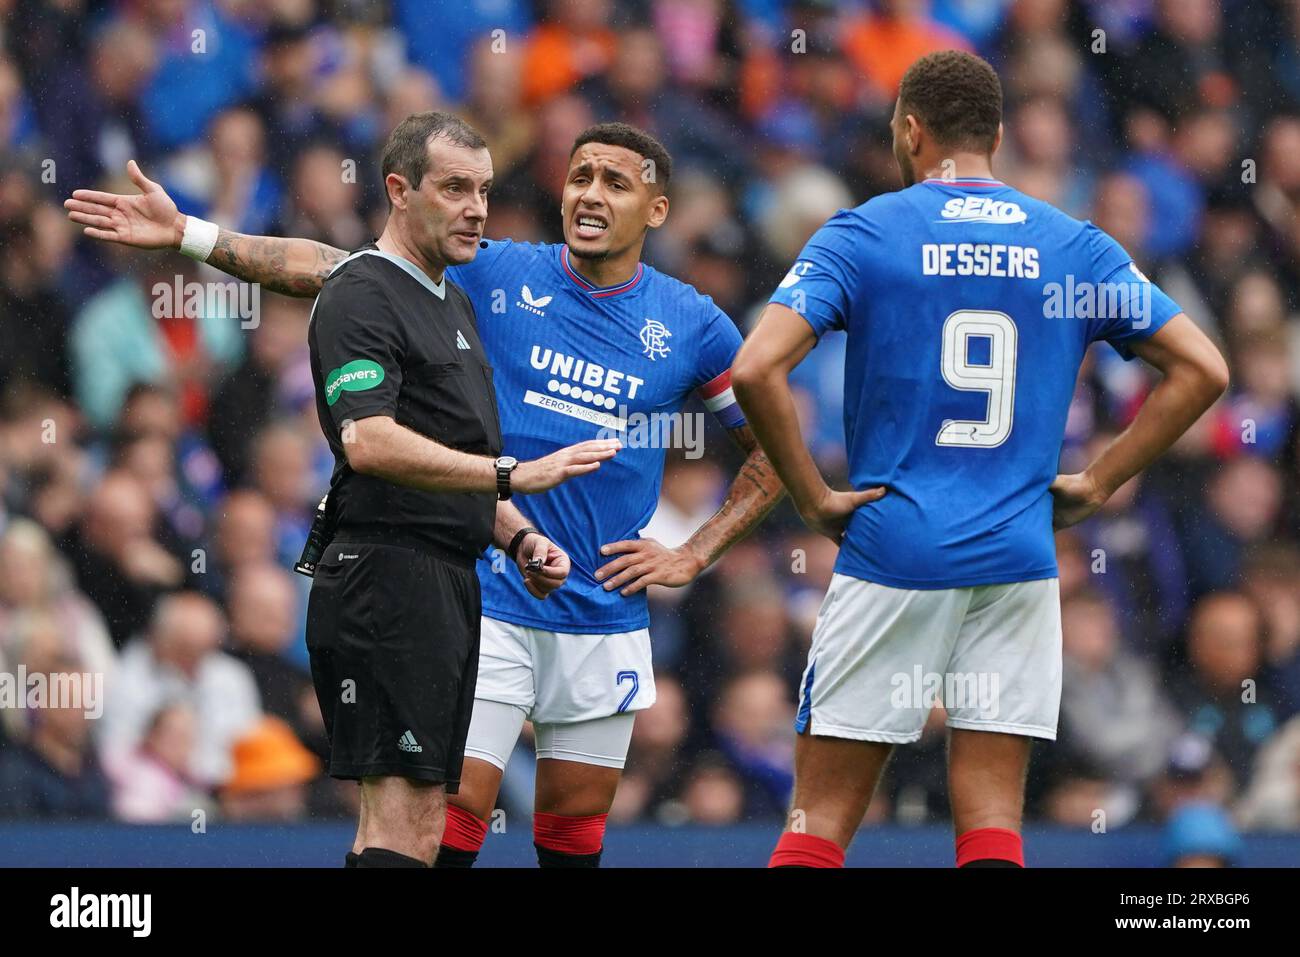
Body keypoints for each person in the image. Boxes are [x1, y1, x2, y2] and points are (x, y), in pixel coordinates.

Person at [67, 119, 784, 867]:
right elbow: (339, 271)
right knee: (443, 815)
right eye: (579, 177)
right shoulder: (497, 272)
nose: (589, 195)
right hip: (484, 592)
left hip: (600, 606)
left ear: (657, 210)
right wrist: (192, 234)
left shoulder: (694, 324)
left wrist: (693, 552)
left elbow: (771, 451)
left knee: (572, 838)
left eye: (614, 181)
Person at [730, 50, 1229, 868]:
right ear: (997, 134)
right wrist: (1101, 479)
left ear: (911, 129)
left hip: (894, 547)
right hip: (1018, 554)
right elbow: (1205, 369)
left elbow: (754, 368)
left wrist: (814, 495)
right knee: (993, 820)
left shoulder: (864, 233)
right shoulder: (1074, 243)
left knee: (819, 818)